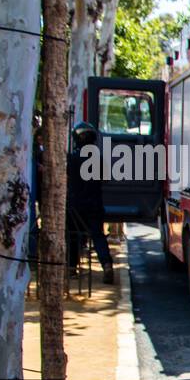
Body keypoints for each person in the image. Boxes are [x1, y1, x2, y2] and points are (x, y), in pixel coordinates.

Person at [67, 121, 114, 284]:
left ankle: (71, 267)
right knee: (98, 236)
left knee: (72, 236)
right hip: (94, 204)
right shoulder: (99, 159)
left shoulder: (72, 158)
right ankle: (107, 265)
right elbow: (106, 179)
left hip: (75, 205)